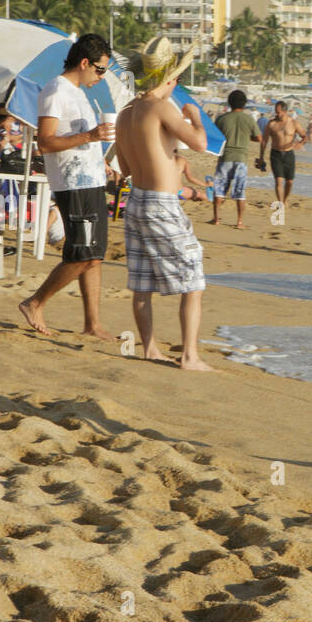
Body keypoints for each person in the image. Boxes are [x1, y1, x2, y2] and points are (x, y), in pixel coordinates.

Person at [114, 35, 212, 372]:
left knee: (142, 282)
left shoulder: (126, 112)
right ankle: (189, 356)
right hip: (160, 204)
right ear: (169, 79)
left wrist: (165, 155)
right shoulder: (161, 107)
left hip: (137, 199)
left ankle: (150, 348)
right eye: (177, 79)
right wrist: (194, 116)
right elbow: (200, 143)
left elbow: (125, 168)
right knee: (193, 278)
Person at [19, 32, 116, 338]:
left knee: (95, 254)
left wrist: (99, 159)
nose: (102, 76)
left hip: (90, 181)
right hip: (72, 185)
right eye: (100, 69)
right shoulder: (56, 90)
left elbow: (79, 138)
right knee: (82, 254)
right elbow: (45, 142)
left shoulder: (79, 92)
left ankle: (93, 324)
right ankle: (35, 302)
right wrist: (90, 137)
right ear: (84, 62)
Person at [211, 89, 259, 228]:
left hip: (225, 157)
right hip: (241, 158)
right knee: (240, 190)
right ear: (244, 104)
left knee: (219, 189)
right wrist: (245, 137)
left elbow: (216, 136)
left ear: (229, 103)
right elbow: (258, 137)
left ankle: (216, 218)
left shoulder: (222, 118)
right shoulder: (249, 119)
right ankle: (239, 221)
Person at [256, 99, 306, 209]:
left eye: (278, 112)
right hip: (275, 154)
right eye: (275, 112)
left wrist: (300, 143)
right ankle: (280, 203)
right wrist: (261, 157)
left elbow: (304, 136)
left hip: (289, 154)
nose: (276, 114)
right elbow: (264, 141)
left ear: (285, 111)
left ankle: (285, 199)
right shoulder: (271, 124)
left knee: (289, 182)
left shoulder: (293, 123)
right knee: (278, 180)